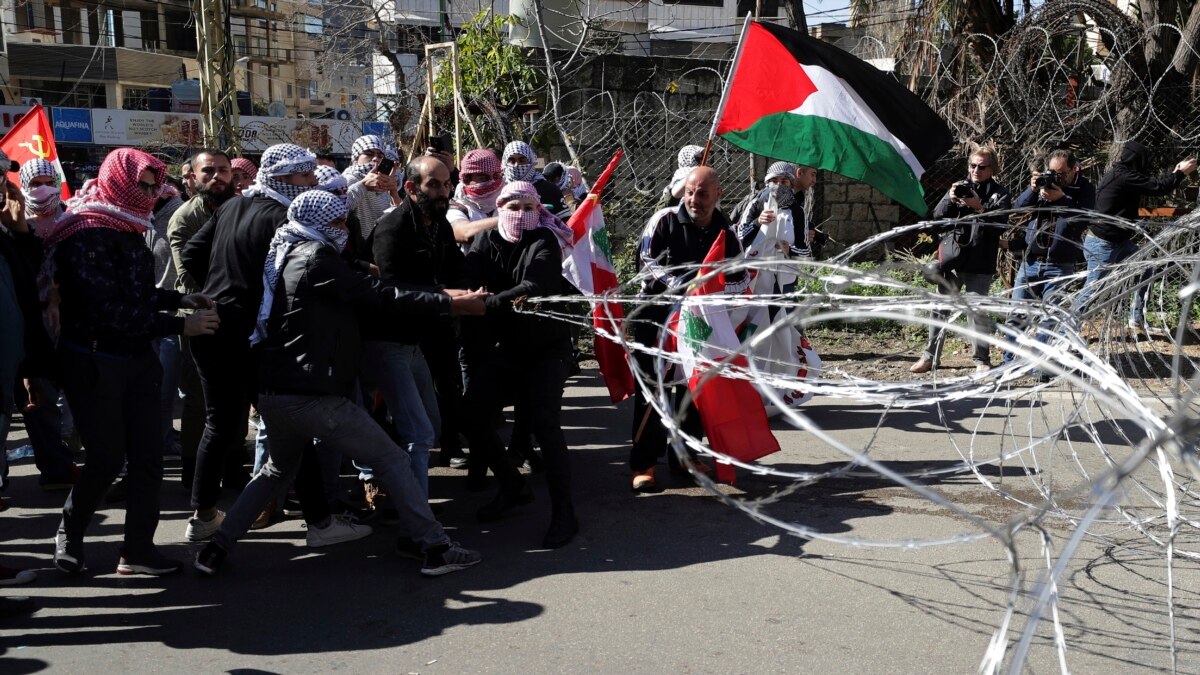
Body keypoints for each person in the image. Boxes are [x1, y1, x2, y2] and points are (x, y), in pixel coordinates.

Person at [194, 190, 485, 577]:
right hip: (311, 395)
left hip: (276, 391)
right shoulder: (316, 258)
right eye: (336, 221)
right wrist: (449, 304)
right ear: (317, 223)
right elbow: (379, 294)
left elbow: (371, 284)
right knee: (393, 459)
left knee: (274, 471)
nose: (344, 228)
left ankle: (215, 549)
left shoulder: (290, 252)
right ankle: (435, 548)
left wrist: (443, 294)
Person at [43, 148, 220, 576]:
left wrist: (180, 299)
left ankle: (137, 550)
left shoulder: (127, 225)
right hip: (94, 361)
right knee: (106, 458)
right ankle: (70, 533)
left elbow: (135, 293)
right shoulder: (86, 230)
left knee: (147, 459)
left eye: (153, 185)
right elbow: (105, 310)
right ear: (118, 181)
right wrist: (181, 325)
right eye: (141, 184)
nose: (149, 193)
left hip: (136, 358)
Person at [180, 144, 337, 544]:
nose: (312, 182)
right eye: (305, 176)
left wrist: (215, 290)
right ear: (284, 179)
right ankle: (321, 523)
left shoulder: (234, 205)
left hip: (214, 326)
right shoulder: (285, 218)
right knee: (290, 423)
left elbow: (194, 254)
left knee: (221, 425)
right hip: (252, 337)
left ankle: (203, 516)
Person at [459, 181, 580, 548]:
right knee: (472, 415)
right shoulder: (486, 241)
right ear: (499, 207)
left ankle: (564, 513)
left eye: (528, 207)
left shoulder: (544, 239)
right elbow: (469, 279)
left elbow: (534, 284)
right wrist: (470, 298)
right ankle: (512, 484)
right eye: (512, 206)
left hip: (546, 347)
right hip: (508, 348)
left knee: (545, 425)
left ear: (538, 210)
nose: (520, 213)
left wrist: (488, 303)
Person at [631, 166, 747, 492]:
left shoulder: (726, 231)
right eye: (690, 192)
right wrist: (686, 288)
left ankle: (684, 456)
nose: (695, 199)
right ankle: (644, 465)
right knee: (653, 393)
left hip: (698, 324)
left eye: (703, 193)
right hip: (656, 321)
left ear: (719, 195)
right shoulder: (664, 220)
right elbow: (648, 262)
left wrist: (709, 292)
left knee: (694, 391)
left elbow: (741, 277)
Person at [364, 156, 467, 509]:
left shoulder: (438, 225)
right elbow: (390, 290)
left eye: (447, 184)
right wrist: (445, 297)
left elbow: (456, 269)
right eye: (434, 185)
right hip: (386, 340)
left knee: (430, 424)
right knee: (418, 432)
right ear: (410, 188)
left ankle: (397, 489)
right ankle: (415, 518)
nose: (444, 192)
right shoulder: (392, 229)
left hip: (415, 341)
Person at [167, 149, 236, 490]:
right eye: (208, 170)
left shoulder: (240, 207)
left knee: (236, 394)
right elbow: (188, 276)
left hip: (236, 316)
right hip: (198, 318)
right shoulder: (184, 218)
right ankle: (193, 469)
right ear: (193, 177)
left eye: (223, 170)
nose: (217, 176)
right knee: (199, 399)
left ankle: (233, 465)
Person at [911, 148, 1012, 374]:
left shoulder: (1000, 193)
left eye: (982, 167)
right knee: (940, 308)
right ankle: (929, 357)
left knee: (977, 312)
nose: (976, 170)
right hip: (953, 260)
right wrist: (951, 197)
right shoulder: (958, 187)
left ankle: (981, 360)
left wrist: (980, 208)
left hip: (980, 261)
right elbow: (937, 216)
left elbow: (1000, 226)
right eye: (973, 165)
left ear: (992, 169)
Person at [1077, 141, 1198, 328]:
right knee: (1093, 289)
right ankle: (1067, 328)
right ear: (1138, 159)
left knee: (1145, 269)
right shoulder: (1124, 176)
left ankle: (1136, 317)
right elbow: (1157, 188)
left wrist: (1175, 173)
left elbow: (1153, 185)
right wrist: (1180, 173)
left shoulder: (1123, 174)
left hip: (1118, 241)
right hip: (1103, 243)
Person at [1006, 149, 1096, 373]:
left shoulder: (1084, 188)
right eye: (1052, 172)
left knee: (1049, 319)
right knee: (1018, 314)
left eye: (1062, 173)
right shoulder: (1043, 185)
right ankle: (1009, 364)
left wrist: (1062, 199)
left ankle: (1039, 366)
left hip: (1060, 263)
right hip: (1031, 261)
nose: (1056, 177)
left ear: (1074, 169)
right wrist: (1032, 189)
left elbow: (1084, 219)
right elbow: (1017, 209)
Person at [343, 135, 401, 243]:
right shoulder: (349, 179)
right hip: (360, 246)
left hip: (380, 244)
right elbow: (339, 209)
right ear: (356, 158)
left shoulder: (383, 179)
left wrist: (393, 192)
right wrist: (364, 185)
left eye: (380, 156)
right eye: (369, 154)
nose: (375, 159)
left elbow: (396, 218)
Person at [447, 148, 503, 246]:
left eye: (495, 176)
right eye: (483, 177)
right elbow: (464, 233)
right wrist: (507, 220)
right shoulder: (457, 207)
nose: (492, 182)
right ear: (467, 179)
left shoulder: (506, 200)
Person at [501, 141, 564, 216]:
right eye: (512, 161)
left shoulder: (549, 189)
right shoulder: (500, 190)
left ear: (531, 161)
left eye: (522, 160)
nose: (516, 165)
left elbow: (565, 220)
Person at [658, 144, 704, 210]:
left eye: (703, 158)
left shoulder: (703, 172)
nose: (702, 161)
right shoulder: (683, 173)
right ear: (688, 158)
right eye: (698, 159)